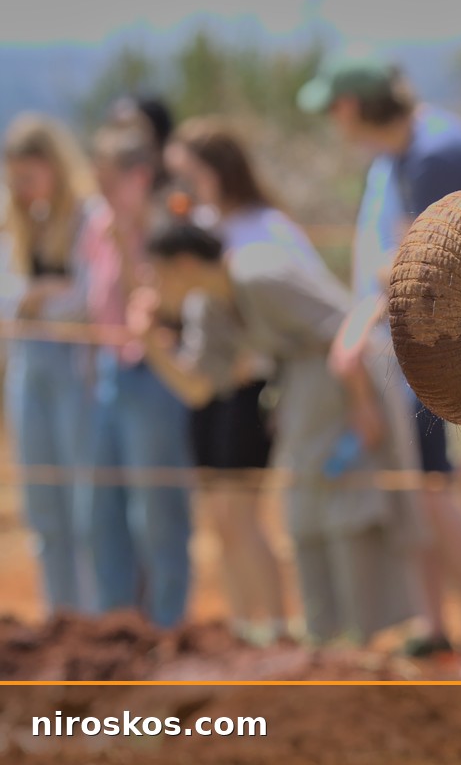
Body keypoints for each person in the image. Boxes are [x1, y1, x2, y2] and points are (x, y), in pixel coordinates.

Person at [298, 52, 461, 679]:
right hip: (460, 347)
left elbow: (422, 263)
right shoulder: (408, 155)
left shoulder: (434, 157)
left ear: (351, 108)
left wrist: (376, 294)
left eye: (335, 110)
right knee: (457, 496)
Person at [131, 194, 426, 646]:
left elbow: (344, 330)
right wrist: (151, 342)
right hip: (301, 399)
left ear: (184, 263)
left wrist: (362, 405)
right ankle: (326, 642)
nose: (152, 283)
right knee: (307, 518)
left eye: (158, 272)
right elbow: (199, 387)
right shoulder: (209, 305)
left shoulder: (258, 272)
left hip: (341, 388)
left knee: (353, 512)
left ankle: (368, 642)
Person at [162, 117, 305, 644]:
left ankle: (279, 627)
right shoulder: (199, 225)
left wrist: (260, 355)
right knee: (221, 519)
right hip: (211, 388)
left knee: (245, 516)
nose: (180, 186)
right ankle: (246, 629)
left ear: (218, 171)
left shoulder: (267, 226)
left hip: (252, 390)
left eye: (188, 174)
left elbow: (295, 312)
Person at [82, 119, 193, 628]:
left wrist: (128, 243)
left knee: (156, 511)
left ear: (140, 176)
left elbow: (145, 307)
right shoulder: (98, 225)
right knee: (103, 510)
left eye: (110, 179)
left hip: (153, 376)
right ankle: (118, 621)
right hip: (110, 373)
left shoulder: (167, 226)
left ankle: (166, 623)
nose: (102, 190)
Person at [1, 114, 100, 613]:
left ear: (55, 168)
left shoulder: (86, 216)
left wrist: (39, 298)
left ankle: (89, 613)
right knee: (42, 503)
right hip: (27, 366)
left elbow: (85, 299)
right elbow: (8, 298)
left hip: (74, 367)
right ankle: (57, 613)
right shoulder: (15, 222)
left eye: (29, 175)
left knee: (82, 496)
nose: (20, 187)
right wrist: (43, 294)